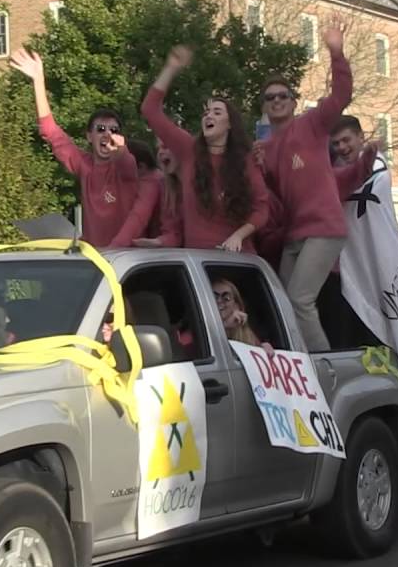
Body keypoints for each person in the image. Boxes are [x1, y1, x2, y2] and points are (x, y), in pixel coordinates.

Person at [255, 20, 372, 353]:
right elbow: (275, 203)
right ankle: (297, 362)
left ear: (293, 102)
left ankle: (324, 365)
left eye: (283, 95)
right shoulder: (266, 148)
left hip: (325, 228)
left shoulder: (312, 124)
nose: (276, 100)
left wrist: (335, 50)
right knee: (282, 301)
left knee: (299, 299)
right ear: (264, 106)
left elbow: (342, 94)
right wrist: (258, 171)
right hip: (296, 234)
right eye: (269, 97)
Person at [10, 49, 157, 248]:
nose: (107, 134)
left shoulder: (125, 167)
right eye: (101, 129)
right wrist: (38, 80)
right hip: (95, 259)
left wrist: (121, 151)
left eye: (114, 130)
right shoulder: (84, 165)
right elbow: (50, 131)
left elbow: (126, 161)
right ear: (89, 136)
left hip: (126, 260)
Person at [141, 45, 269, 253]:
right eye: (207, 113)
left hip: (237, 258)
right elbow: (150, 109)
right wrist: (171, 68)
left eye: (217, 112)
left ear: (230, 124)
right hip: (199, 262)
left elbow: (262, 208)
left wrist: (239, 235)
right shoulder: (188, 149)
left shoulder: (244, 160)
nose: (209, 116)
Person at [211, 278, 275, 356]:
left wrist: (262, 349)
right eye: (214, 296)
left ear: (236, 306)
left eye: (226, 298)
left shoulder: (245, 333)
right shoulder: (198, 329)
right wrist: (225, 326)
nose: (219, 301)